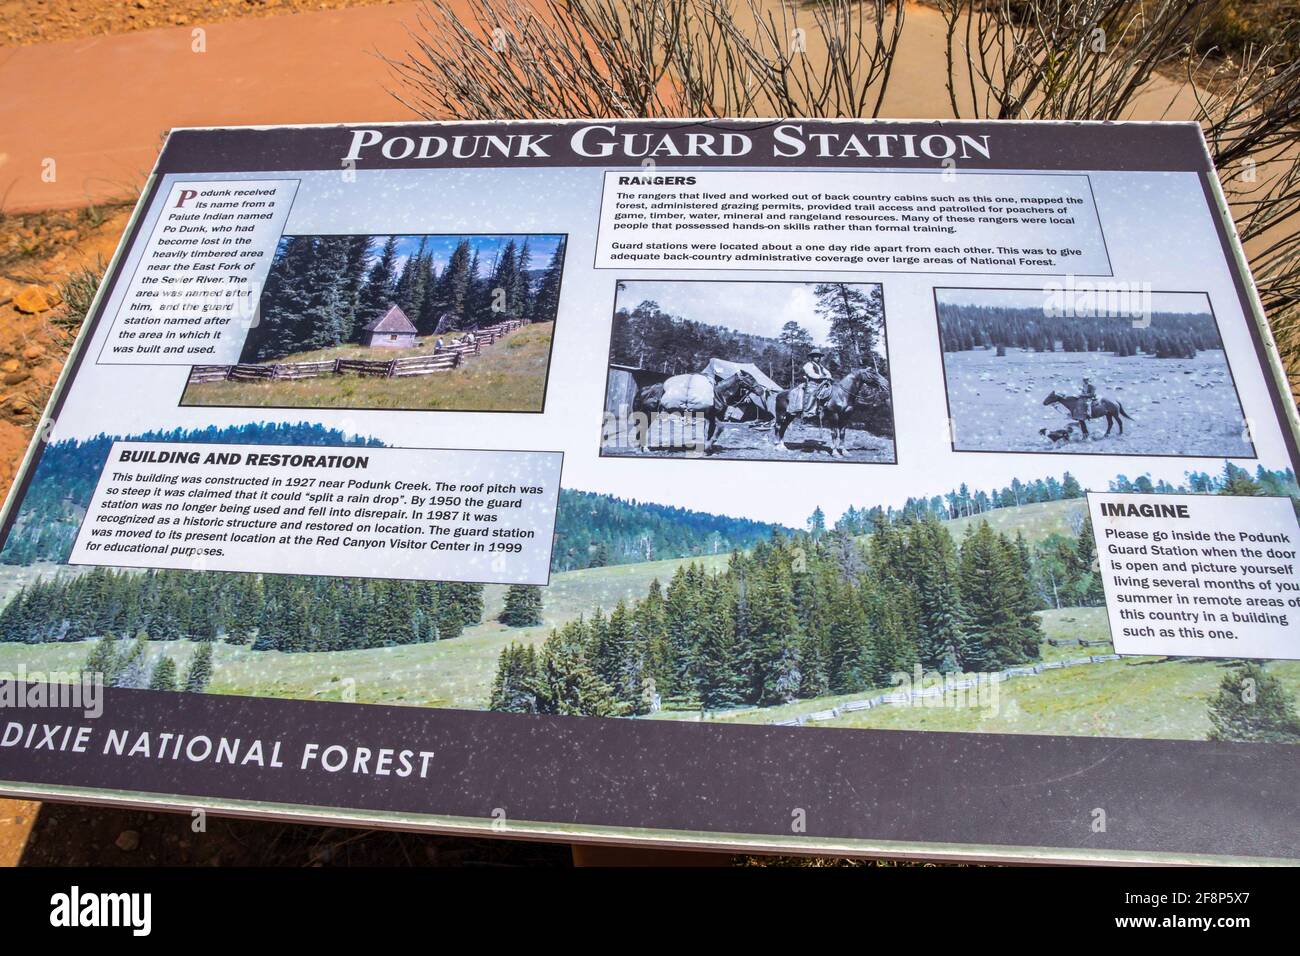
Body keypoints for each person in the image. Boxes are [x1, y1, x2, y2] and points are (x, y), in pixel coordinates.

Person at [801, 349, 835, 419]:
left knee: (831, 391)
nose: (818, 358)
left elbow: (827, 372)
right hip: (812, 383)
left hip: (822, 383)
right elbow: (811, 374)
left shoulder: (820, 366)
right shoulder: (808, 365)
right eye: (816, 356)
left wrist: (829, 377)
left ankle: (825, 409)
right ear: (812, 357)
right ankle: (807, 412)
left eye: (819, 357)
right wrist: (822, 377)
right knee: (812, 394)